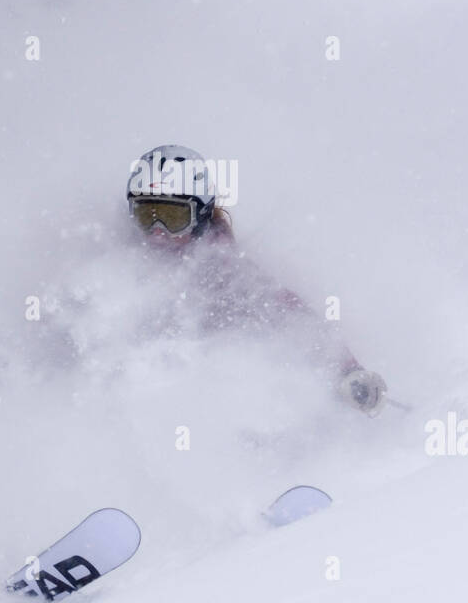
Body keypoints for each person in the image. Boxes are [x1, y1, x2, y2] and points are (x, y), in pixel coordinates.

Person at [126, 145, 387, 414]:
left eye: (173, 218)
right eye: (148, 216)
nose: (158, 232)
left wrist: (346, 371)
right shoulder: (120, 258)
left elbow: (290, 315)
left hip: (209, 402)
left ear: (201, 215)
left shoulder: (222, 271)